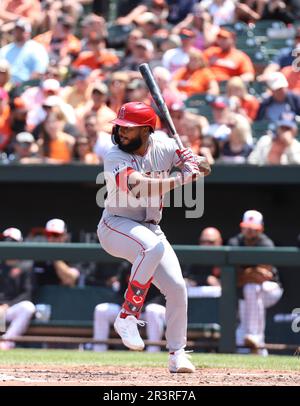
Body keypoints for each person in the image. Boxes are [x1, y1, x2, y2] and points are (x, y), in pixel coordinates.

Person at [97, 101, 211, 373]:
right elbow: (139, 188)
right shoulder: (114, 155)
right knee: (151, 247)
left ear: (146, 131)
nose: (121, 132)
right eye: (120, 127)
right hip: (116, 224)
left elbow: (206, 167)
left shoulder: (165, 146)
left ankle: (178, 353)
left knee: (176, 288)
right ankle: (127, 315)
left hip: (151, 227)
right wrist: (181, 178)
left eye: (128, 128)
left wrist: (194, 161)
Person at [228, 210, 284, 354]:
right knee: (249, 295)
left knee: (251, 288)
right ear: (242, 227)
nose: (250, 232)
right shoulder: (235, 242)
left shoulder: (266, 243)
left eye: (253, 229)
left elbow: (264, 276)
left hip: (271, 289)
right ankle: (257, 346)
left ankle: (254, 335)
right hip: (246, 293)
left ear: (260, 229)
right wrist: (253, 272)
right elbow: (234, 277)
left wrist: (245, 273)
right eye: (247, 228)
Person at [94, 262, 166, 353]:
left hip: (151, 309)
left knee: (152, 310)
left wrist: (139, 307)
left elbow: (160, 296)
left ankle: (153, 351)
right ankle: (99, 350)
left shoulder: (156, 266)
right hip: (131, 309)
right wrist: (126, 306)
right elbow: (121, 293)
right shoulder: (126, 266)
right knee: (101, 310)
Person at [0, 227, 35, 350]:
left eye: (12, 242)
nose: (8, 244)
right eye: (5, 240)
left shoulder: (26, 266)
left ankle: (6, 342)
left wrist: (7, 305)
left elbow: (27, 293)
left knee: (27, 307)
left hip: (12, 309)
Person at [33, 219, 80, 287]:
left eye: (55, 235)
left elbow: (69, 280)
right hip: (41, 296)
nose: (51, 238)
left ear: (65, 236)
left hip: (65, 296)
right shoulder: (40, 255)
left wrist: (54, 256)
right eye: (48, 234)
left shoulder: (73, 254)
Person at [184, 227, 222, 298]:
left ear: (219, 242)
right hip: (197, 298)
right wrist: (206, 279)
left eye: (211, 242)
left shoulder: (224, 256)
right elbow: (186, 277)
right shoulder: (194, 257)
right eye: (203, 242)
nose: (206, 245)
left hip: (222, 299)